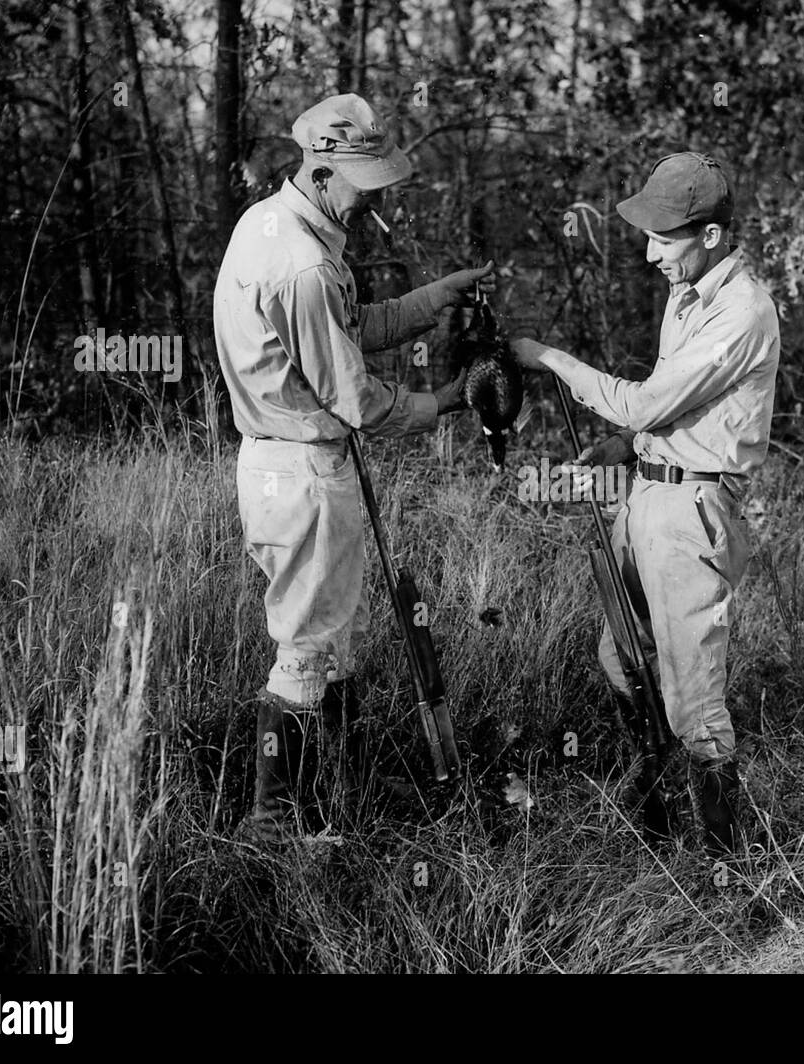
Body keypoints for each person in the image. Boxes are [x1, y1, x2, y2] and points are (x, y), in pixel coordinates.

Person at [214, 93, 495, 840]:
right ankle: (273, 825)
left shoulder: (275, 222)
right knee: (306, 649)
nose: (371, 202)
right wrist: (449, 403)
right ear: (323, 167)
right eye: (363, 185)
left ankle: (327, 798)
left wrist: (426, 302)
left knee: (326, 638)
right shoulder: (303, 263)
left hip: (281, 462)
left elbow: (342, 330)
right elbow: (358, 399)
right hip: (304, 470)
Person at [512, 152, 780, 857]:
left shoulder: (743, 311)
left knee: (694, 697)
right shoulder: (685, 289)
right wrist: (624, 449)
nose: (651, 252)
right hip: (647, 495)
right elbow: (668, 411)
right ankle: (656, 808)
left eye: (666, 238)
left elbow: (644, 398)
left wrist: (546, 359)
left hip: (693, 513)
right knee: (620, 654)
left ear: (712, 237)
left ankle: (725, 868)